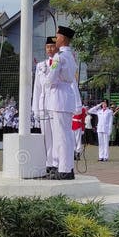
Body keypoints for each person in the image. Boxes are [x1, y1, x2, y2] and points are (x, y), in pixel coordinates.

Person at [44, 26, 80, 180]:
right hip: (66, 96)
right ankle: (67, 167)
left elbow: (51, 77)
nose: (56, 39)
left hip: (58, 97)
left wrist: (46, 83)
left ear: (63, 39)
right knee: (65, 135)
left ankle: (64, 169)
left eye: (57, 37)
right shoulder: (70, 56)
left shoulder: (59, 57)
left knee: (61, 136)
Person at [32, 36, 57, 175]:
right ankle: (48, 162)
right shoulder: (40, 66)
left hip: (55, 103)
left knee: (55, 134)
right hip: (43, 103)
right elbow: (37, 88)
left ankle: (56, 162)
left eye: (52, 46)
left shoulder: (59, 62)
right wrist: (35, 108)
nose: (50, 49)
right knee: (45, 134)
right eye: (48, 47)